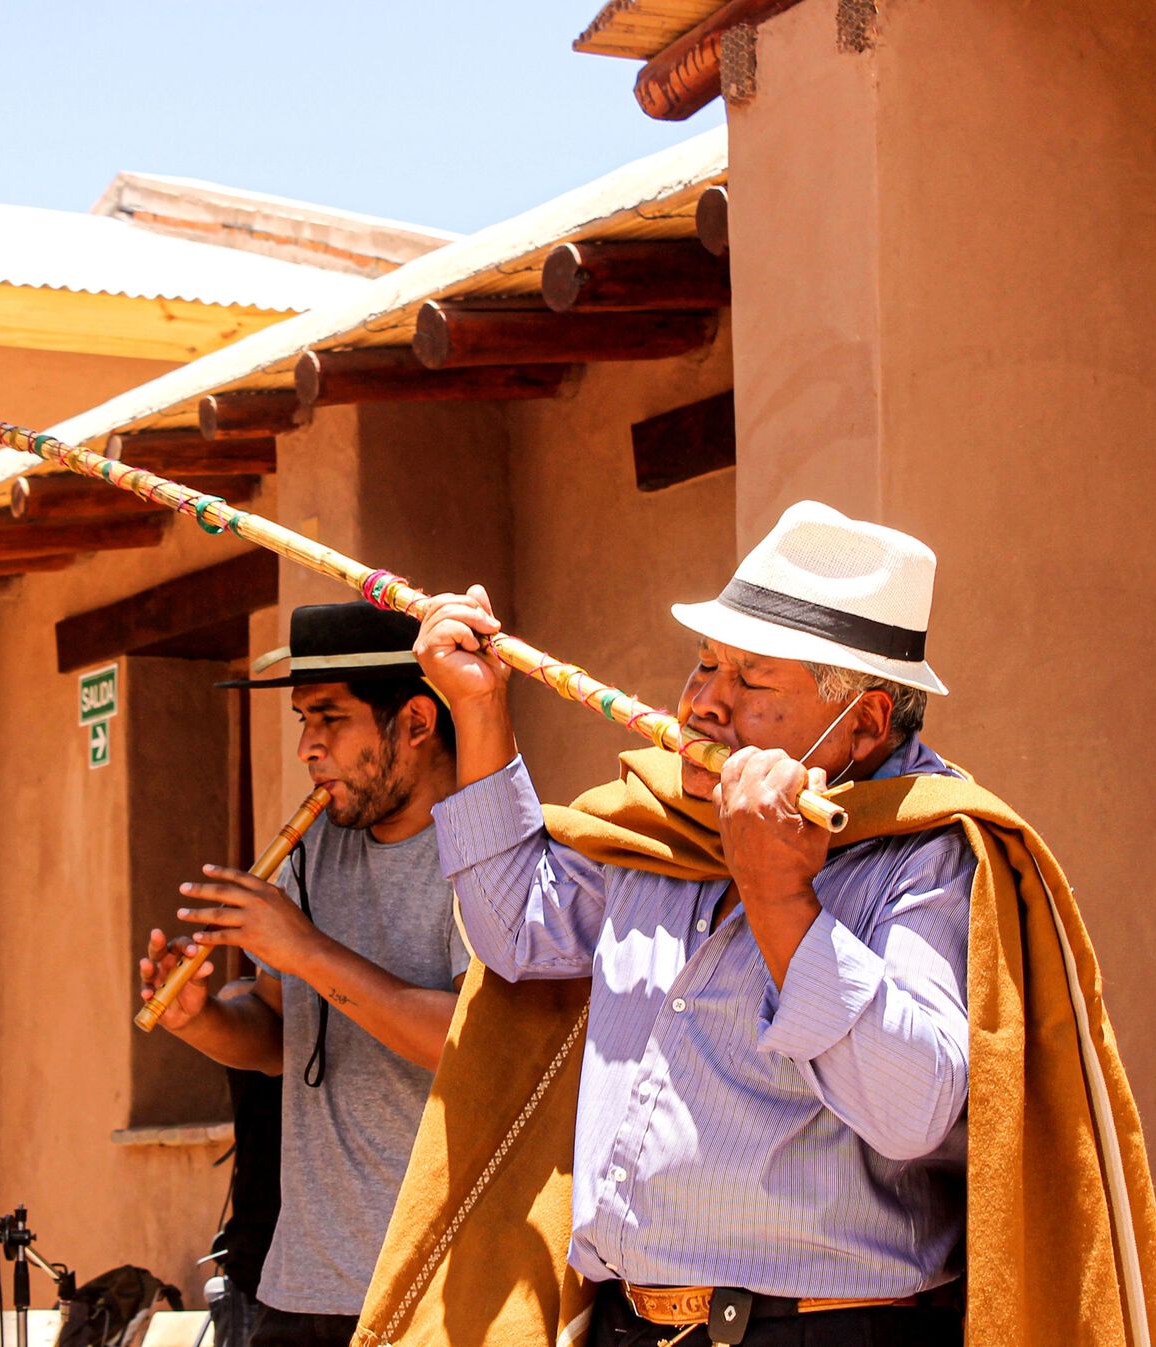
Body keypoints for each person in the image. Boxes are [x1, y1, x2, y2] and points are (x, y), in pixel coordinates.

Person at [412, 502, 973, 1346]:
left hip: (821, 1331)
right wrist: (479, 709)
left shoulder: (927, 855)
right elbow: (518, 928)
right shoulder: (664, 826)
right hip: (630, 1322)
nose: (704, 704)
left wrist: (780, 895)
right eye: (704, 665)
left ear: (863, 724)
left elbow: (912, 1109)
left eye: (750, 681)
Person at [138, 602, 469, 1347]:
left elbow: (471, 1043)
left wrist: (306, 950)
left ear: (415, 723)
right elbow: (280, 1032)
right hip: (303, 1282)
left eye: (330, 720)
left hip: (437, 1286)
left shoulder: (487, 856)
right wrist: (202, 1018)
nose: (307, 749)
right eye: (301, 722)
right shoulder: (315, 847)